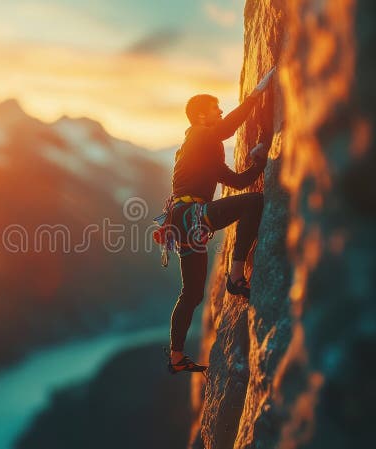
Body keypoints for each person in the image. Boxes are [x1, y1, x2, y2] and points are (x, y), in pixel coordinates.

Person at [166, 68, 276, 374]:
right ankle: (236, 276)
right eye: (216, 108)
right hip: (191, 217)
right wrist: (255, 96)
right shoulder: (200, 135)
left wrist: (258, 164)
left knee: (192, 293)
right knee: (254, 203)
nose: (222, 111)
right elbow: (227, 130)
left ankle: (176, 356)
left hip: (183, 220)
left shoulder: (204, 147)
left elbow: (236, 182)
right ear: (202, 116)